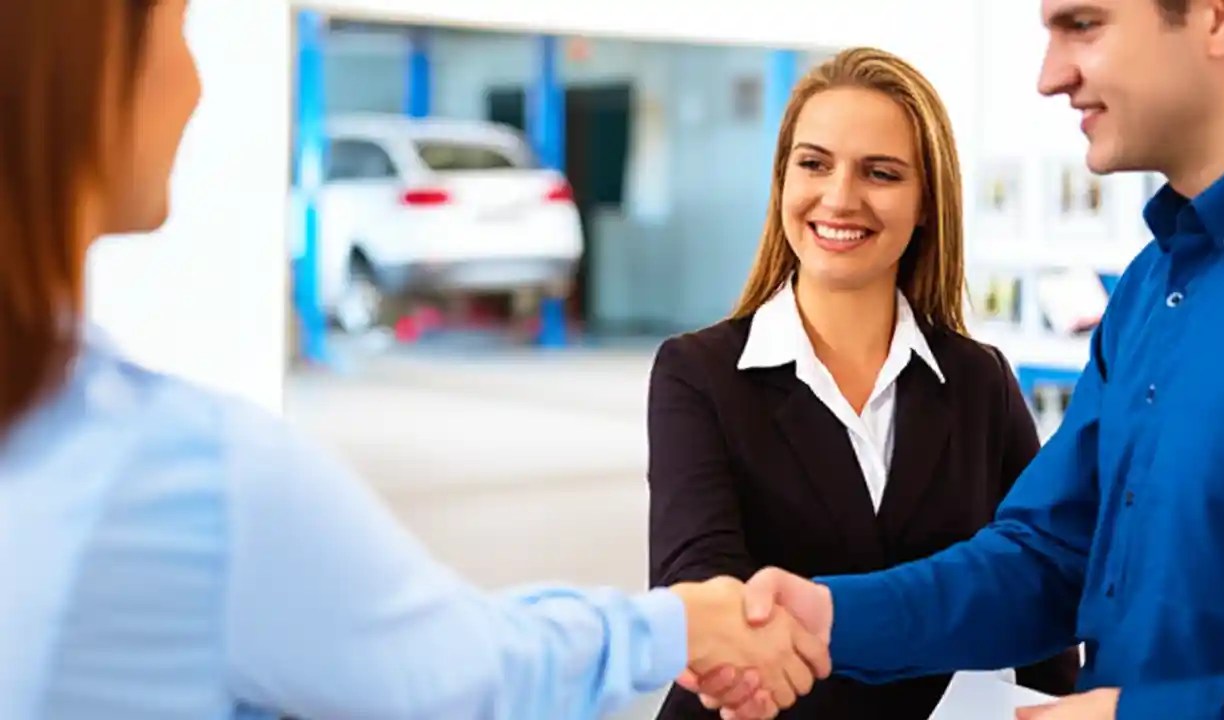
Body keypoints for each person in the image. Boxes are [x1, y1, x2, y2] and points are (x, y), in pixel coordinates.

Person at [0, 2, 832, 718]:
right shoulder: (187, 478)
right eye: (178, 28)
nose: (196, 86)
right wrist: (681, 627)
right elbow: (458, 677)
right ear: (83, 65)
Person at [684, 0, 1224, 718]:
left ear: (1222, 14)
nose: (1048, 76)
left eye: (1083, 25)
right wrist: (829, 617)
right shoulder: (1152, 291)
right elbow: (1051, 558)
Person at [645, 46, 1080, 720]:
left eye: (880, 173)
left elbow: (1037, 600)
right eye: (814, 164)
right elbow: (701, 588)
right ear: (783, 180)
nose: (840, 197)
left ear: (927, 202)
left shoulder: (979, 381)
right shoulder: (699, 374)